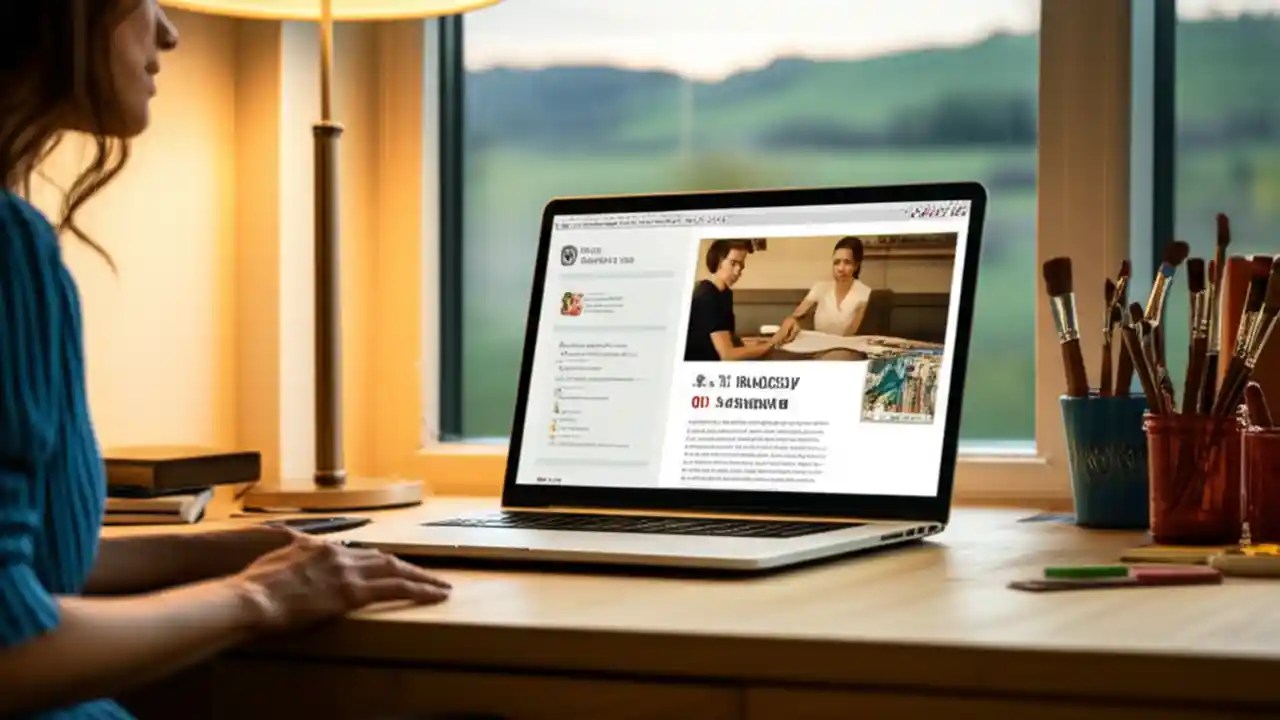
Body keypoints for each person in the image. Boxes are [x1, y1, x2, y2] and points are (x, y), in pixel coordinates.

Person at [0, 3, 450, 717]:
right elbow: (10, 647)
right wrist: (260, 596)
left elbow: (31, 568)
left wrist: (227, 552)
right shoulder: (10, 251)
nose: (170, 33)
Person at [684, 240, 789, 362]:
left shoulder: (724, 293)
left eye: (741, 265)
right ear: (718, 261)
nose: (738, 271)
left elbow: (727, 337)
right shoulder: (706, 296)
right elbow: (727, 355)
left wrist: (766, 341)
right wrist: (772, 344)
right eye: (733, 263)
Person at [779, 236, 872, 341]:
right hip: (817, 345)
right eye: (837, 262)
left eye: (847, 262)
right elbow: (796, 315)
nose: (841, 268)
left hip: (846, 348)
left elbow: (852, 334)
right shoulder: (820, 288)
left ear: (856, 265)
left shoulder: (864, 293)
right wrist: (792, 322)